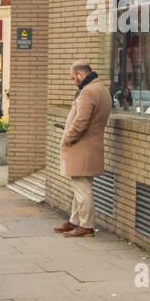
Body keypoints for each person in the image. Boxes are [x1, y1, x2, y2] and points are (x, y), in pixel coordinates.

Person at [55, 61, 111, 238]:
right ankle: (75, 221)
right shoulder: (101, 88)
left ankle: (86, 226)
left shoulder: (88, 92)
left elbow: (81, 121)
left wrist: (67, 139)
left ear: (80, 74)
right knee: (80, 186)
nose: (73, 81)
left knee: (82, 188)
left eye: (73, 78)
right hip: (90, 146)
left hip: (81, 147)